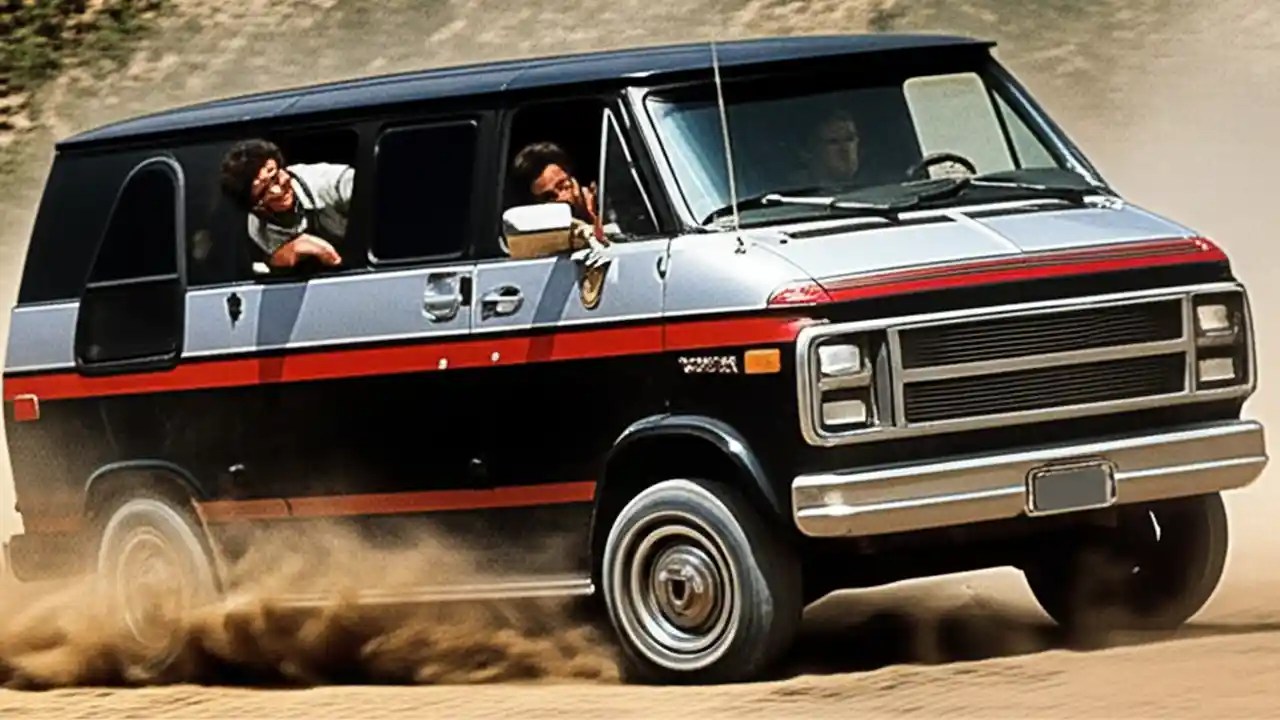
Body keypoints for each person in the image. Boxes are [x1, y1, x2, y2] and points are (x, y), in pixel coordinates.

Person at [219, 139, 354, 269]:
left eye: (275, 177)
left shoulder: (331, 181)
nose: (277, 191)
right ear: (254, 207)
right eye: (264, 191)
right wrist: (284, 255)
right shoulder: (257, 231)